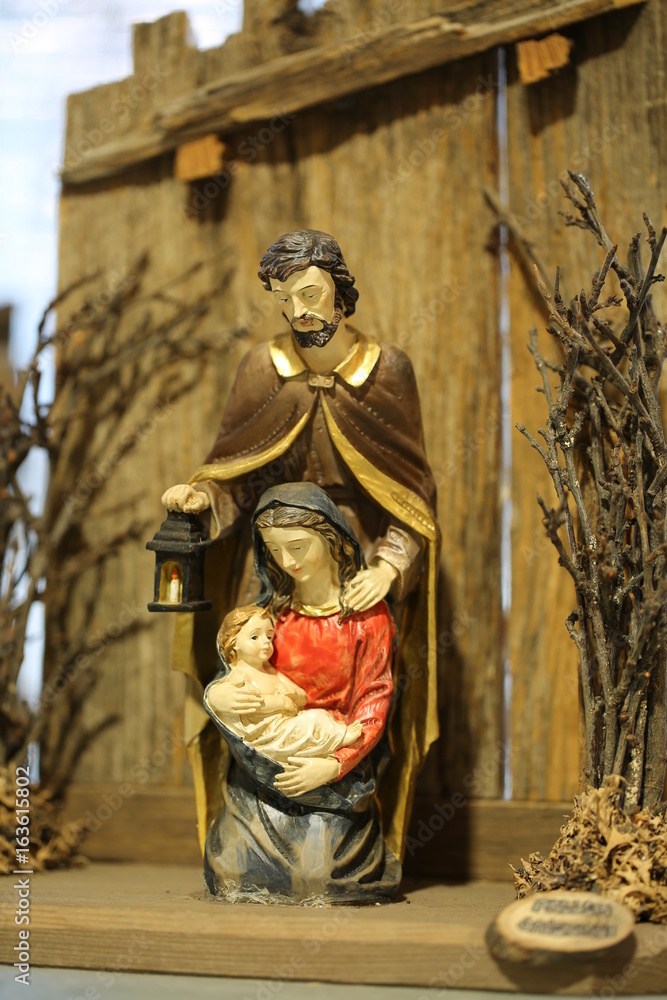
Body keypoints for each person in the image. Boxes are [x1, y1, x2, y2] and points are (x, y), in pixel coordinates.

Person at [162, 231, 439, 866]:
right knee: (256, 669)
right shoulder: (264, 369)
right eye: (285, 300)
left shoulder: (387, 370)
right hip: (268, 552)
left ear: (341, 291)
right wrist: (207, 497)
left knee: (358, 676)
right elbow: (237, 467)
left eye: (311, 293)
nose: (299, 311)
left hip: (355, 555)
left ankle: (343, 795)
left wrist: (390, 564)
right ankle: (258, 810)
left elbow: (413, 491)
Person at [203, 483, 398, 902]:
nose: (287, 561)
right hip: (265, 763)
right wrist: (216, 697)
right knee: (230, 867)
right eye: (274, 550)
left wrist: (333, 765)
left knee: (319, 878)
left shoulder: (365, 617)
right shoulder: (271, 613)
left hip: (335, 767)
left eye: (297, 546)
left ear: (333, 541)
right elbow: (238, 669)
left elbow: (374, 700)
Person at [205, 604, 363, 762]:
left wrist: (293, 694)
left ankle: (332, 741)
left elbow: (303, 697)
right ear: (233, 642)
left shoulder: (272, 672)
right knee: (314, 719)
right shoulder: (239, 676)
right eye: (255, 637)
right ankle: (340, 738)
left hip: (289, 726)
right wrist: (282, 702)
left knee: (318, 715)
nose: (266, 643)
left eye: (269, 637)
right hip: (272, 737)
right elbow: (252, 705)